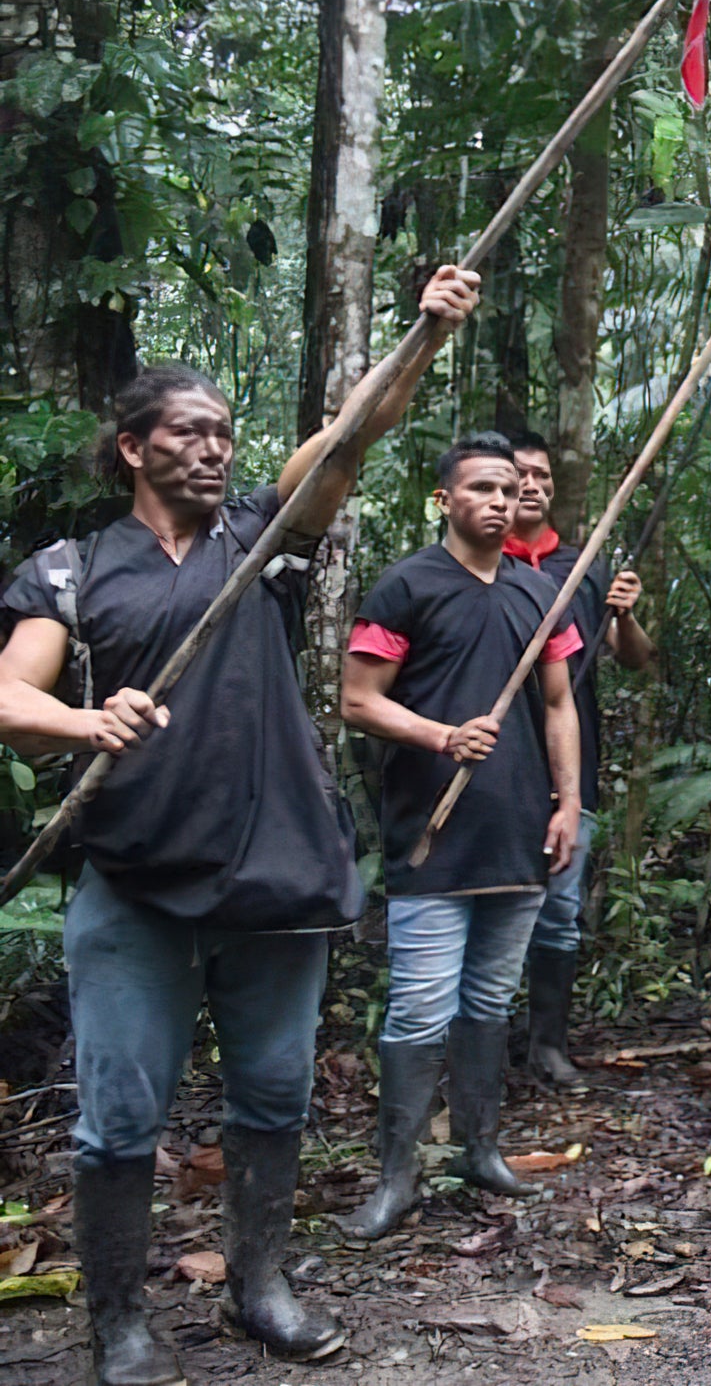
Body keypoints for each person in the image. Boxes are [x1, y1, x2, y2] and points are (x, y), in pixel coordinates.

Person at [0, 269, 479, 1381]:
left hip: (278, 878)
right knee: (119, 1117)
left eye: (224, 435)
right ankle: (118, 1322)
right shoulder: (71, 574)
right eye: (188, 434)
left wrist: (423, 336)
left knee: (275, 1094)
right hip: (135, 886)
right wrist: (83, 719)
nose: (214, 451)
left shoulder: (260, 541)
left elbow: (343, 439)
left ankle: (261, 1284)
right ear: (133, 447)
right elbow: (11, 701)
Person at [339, 432, 583, 1240]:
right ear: (444, 499)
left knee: (486, 1002)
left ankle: (481, 1148)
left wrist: (566, 804)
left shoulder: (538, 590)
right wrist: (442, 736)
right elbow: (359, 699)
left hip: (517, 833)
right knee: (418, 1009)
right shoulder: (408, 584)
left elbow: (558, 704)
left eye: (509, 490)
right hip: (431, 839)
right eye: (481, 487)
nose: (499, 501)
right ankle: (397, 1176)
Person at [502, 430, 655, 1085]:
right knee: (494, 902)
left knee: (560, 905)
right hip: (496, 762)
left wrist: (622, 615)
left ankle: (547, 1044)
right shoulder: (476, 563)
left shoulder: (585, 566)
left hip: (572, 762)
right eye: (518, 474)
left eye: (541, 475)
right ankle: (482, 1043)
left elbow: (633, 658)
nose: (531, 485)